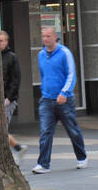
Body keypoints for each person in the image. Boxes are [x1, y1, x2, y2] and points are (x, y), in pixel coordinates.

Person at [32, 25, 87, 174]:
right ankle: (43, 163)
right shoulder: (41, 55)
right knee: (45, 132)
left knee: (72, 130)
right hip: (47, 99)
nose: (45, 39)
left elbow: (71, 74)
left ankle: (82, 157)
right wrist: (44, 92)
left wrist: (64, 92)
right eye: (43, 36)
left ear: (55, 37)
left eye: (48, 36)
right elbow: (44, 76)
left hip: (64, 100)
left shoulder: (64, 53)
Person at [0, 31, 26, 154]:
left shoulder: (11, 57)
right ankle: (18, 148)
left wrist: (9, 98)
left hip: (8, 100)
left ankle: (15, 150)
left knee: (0, 129)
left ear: (6, 42)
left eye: (1, 41)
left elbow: (16, 79)